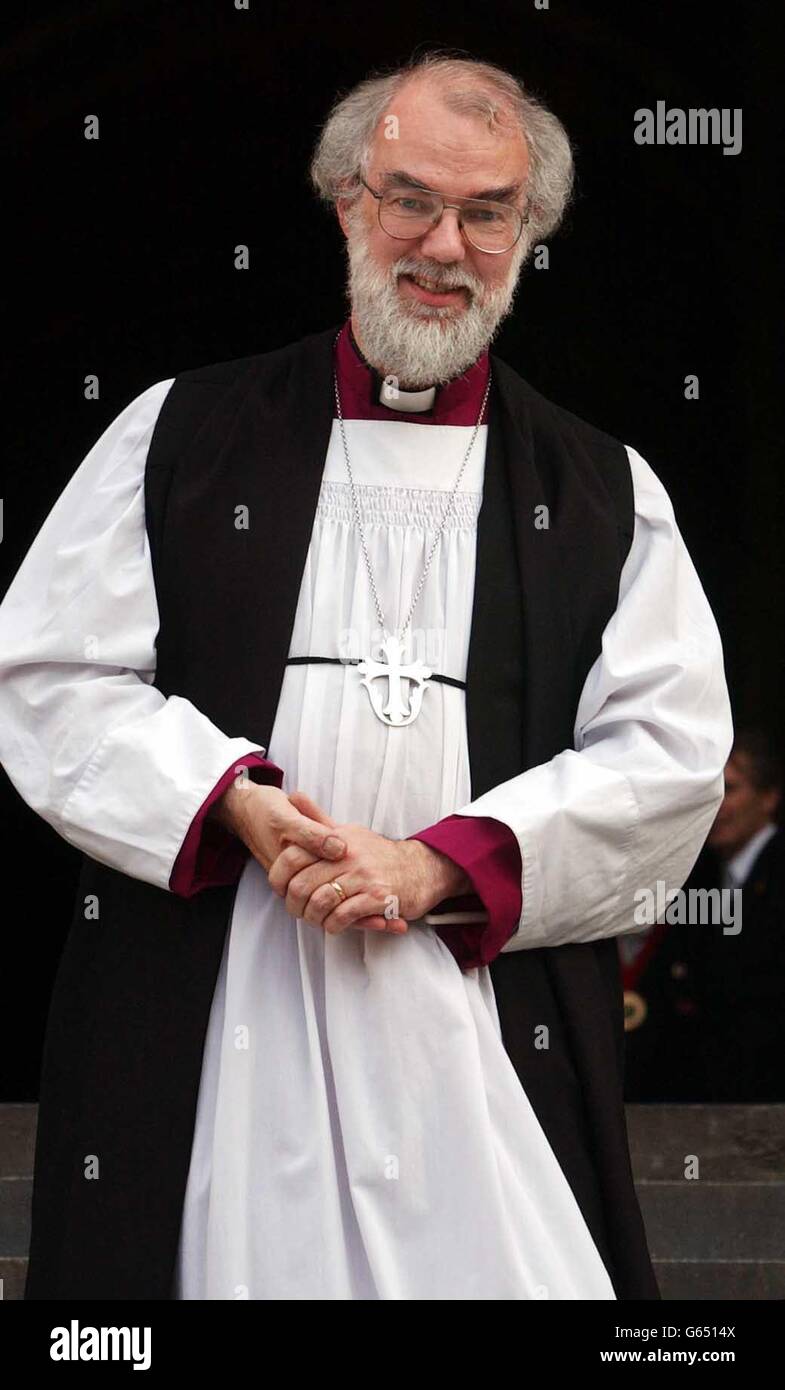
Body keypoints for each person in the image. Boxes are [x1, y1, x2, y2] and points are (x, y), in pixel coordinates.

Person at [0, 51, 733, 1301]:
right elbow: (51, 676)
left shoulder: (603, 493)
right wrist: (232, 796)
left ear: (529, 230)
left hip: (469, 1008)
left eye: (487, 210)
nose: (443, 244)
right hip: (226, 993)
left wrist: (437, 863)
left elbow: (668, 757)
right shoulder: (179, 433)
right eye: (409, 198)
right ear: (345, 199)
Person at [686, 730, 784, 1100]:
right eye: (710, 792)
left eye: (730, 788)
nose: (717, 805)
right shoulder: (700, 878)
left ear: (769, 797)